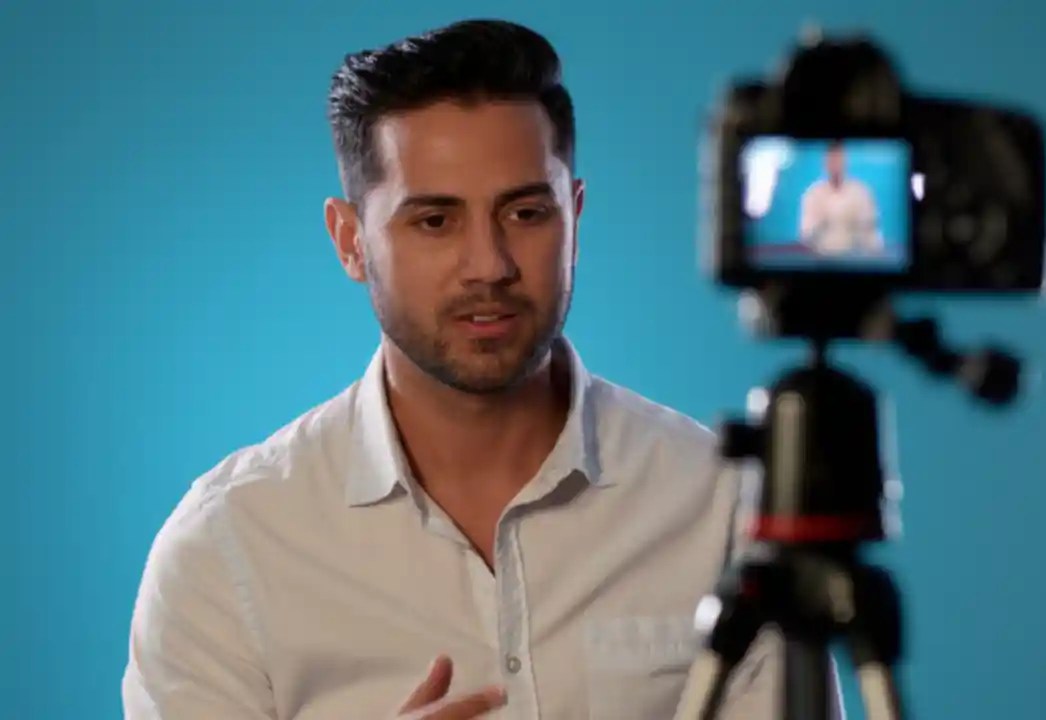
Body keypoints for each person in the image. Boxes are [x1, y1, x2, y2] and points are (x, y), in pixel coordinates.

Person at [121, 18, 780, 720]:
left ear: (575, 217)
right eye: (435, 221)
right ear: (350, 241)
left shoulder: (723, 510)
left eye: (526, 212)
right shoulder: (228, 548)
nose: (489, 265)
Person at [798, 143, 883, 256]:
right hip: (822, 260)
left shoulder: (861, 192)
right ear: (825, 164)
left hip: (854, 260)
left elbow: (871, 232)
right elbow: (805, 236)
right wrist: (820, 223)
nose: (835, 165)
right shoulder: (813, 194)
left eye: (839, 160)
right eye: (832, 160)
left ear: (845, 162)